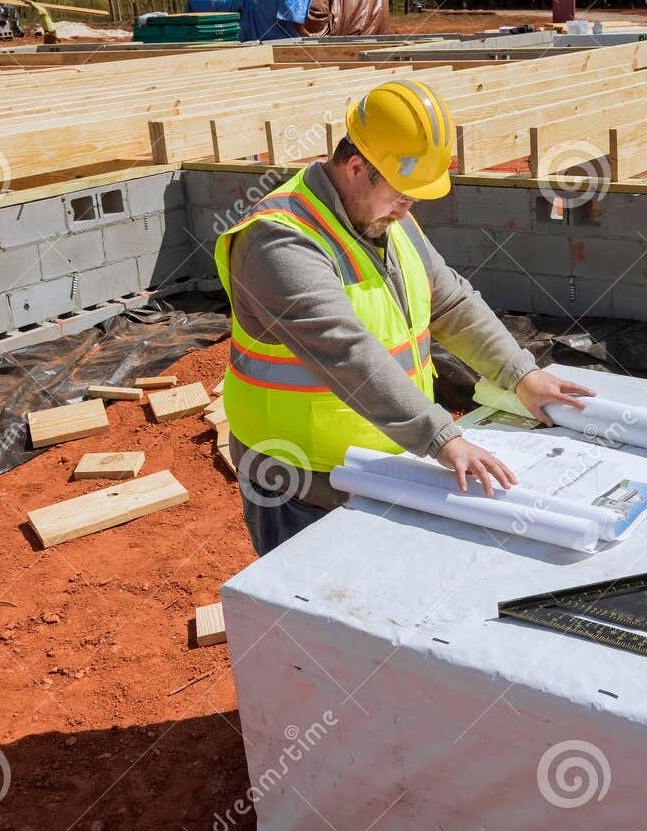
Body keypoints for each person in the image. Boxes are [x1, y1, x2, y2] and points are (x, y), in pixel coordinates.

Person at [214, 78, 595, 555]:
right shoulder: (278, 241)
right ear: (356, 167)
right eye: (402, 194)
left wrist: (520, 374)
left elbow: (450, 300)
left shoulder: (386, 215)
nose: (408, 208)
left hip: (388, 462)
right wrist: (441, 437)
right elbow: (346, 352)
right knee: (315, 618)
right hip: (302, 482)